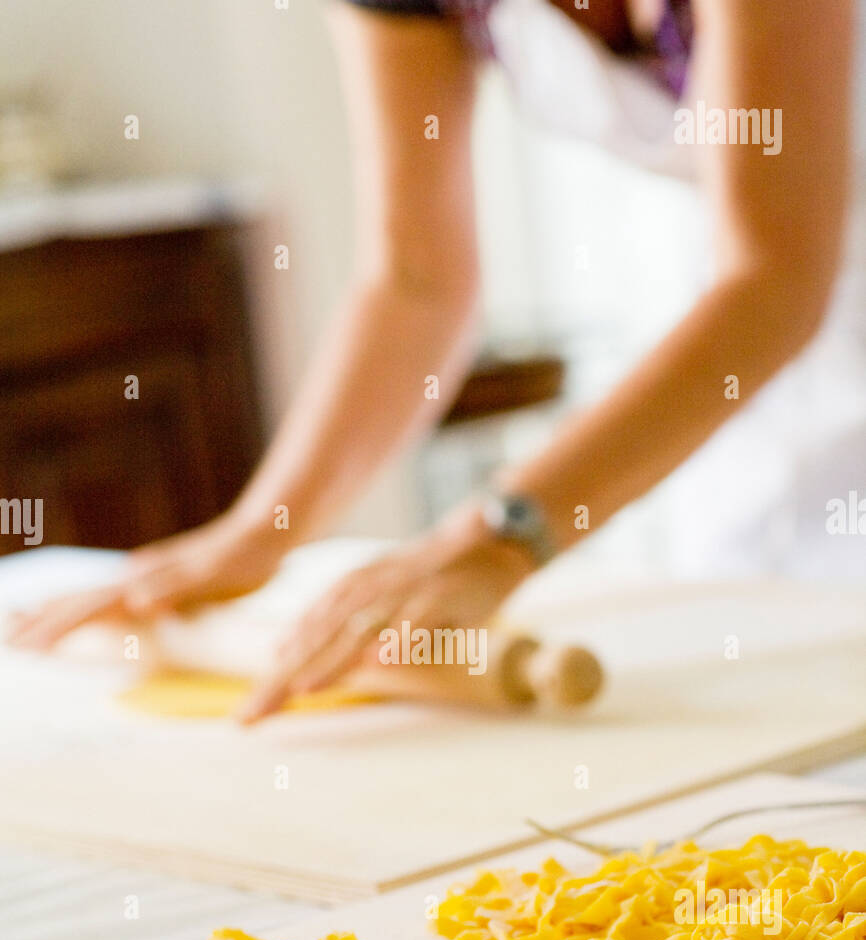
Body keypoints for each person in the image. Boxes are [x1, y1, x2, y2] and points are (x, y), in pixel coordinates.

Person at [10, 0, 855, 719]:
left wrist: (499, 535)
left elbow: (773, 277)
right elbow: (416, 281)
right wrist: (258, 530)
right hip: (770, 378)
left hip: (785, 299)